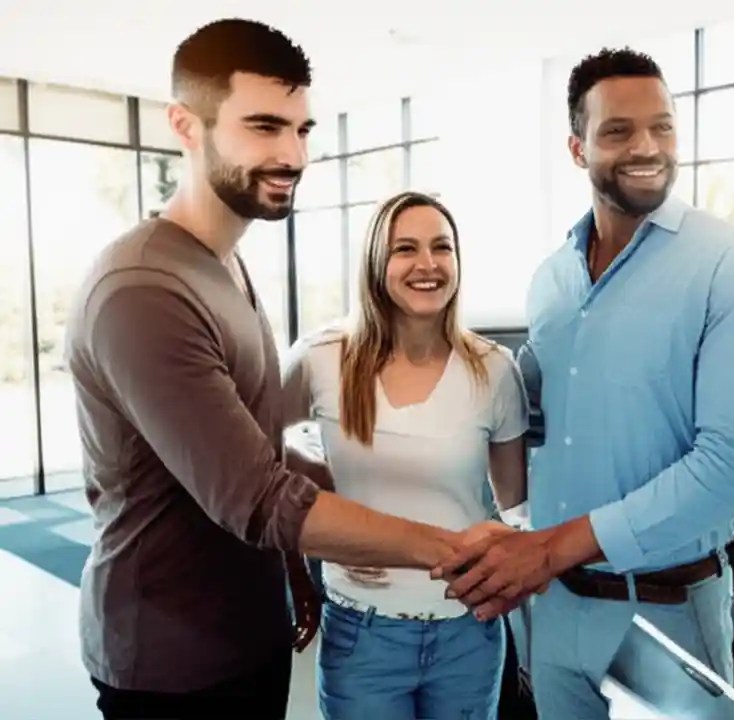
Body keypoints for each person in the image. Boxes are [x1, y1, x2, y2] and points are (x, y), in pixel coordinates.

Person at [65, 20, 464, 720]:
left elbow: (256, 447)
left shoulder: (224, 262)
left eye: (302, 129)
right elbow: (256, 497)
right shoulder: (143, 290)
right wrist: (452, 549)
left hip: (247, 636)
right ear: (187, 126)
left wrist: (296, 571)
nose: (291, 153)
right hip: (170, 667)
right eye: (264, 126)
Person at [436, 48, 734, 717]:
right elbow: (534, 441)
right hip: (555, 611)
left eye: (662, 127)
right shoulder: (551, 282)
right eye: (619, 131)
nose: (647, 147)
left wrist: (548, 549)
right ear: (577, 149)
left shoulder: (731, 266)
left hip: (668, 615)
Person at [279, 190, 529, 720]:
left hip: (469, 631)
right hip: (362, 633)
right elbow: (254, 455)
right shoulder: (322, 358)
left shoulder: (495, 368)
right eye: (406, 249)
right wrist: (320, 525)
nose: (428, 264)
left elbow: (515, 510)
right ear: (376, 262)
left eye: (442, 248)